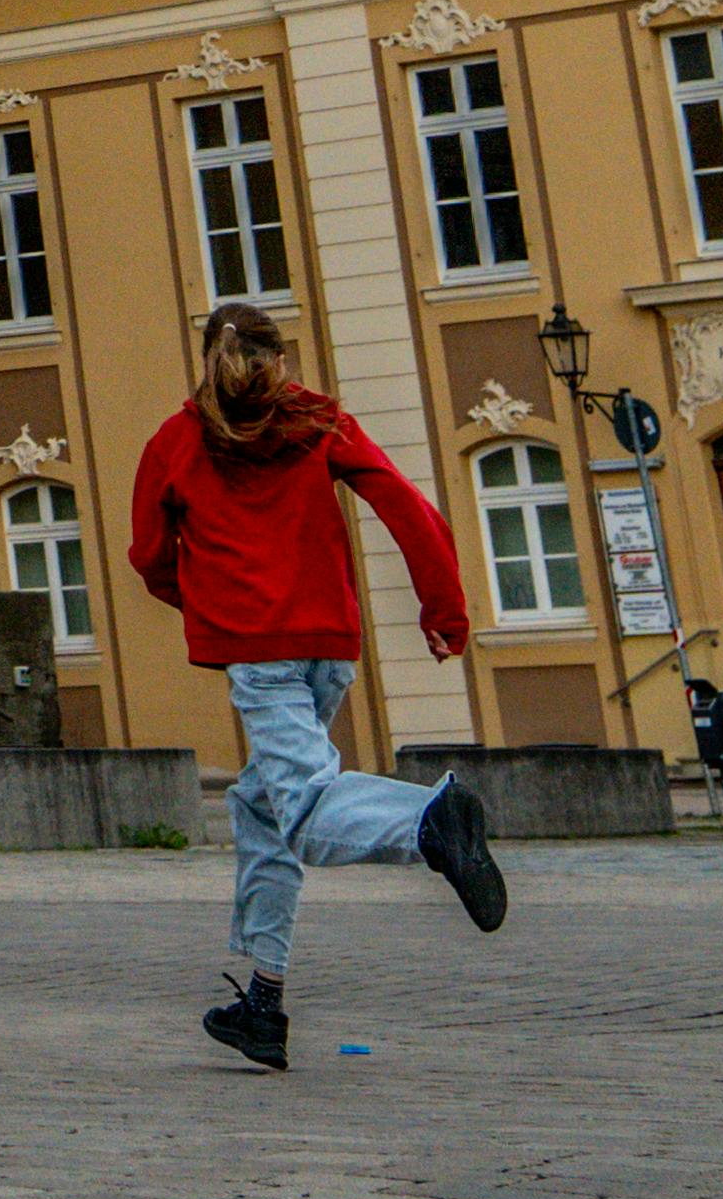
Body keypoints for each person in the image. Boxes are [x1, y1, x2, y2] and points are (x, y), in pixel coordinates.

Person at [125, 306, 507, 1069]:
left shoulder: (177, 440)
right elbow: (406, 504)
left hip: (260, 656)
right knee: (261, 806)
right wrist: (445, 610)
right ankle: (262, 1005)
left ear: (207, 360)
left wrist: (205, 604)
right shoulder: (321, 422)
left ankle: (427, 821)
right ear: (281, 361)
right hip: (328, 648)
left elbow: (147, 555)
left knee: (300, 809)